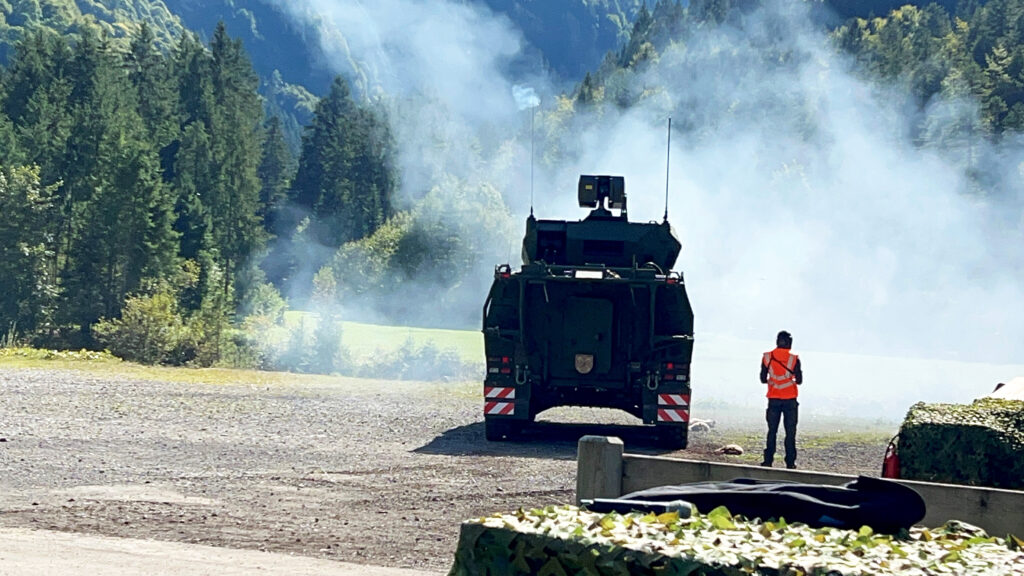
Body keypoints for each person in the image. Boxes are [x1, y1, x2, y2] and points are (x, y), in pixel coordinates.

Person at [760, 330, 802, 469]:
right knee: (790, 433)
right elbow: (800, 380)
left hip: (773, 399)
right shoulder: (794, 359)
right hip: (790, 400)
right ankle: (790, 462)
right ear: (789, 342)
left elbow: (762, 379)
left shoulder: (767, 357)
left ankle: (768, 461)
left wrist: (773, 381)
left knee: (772, 431)